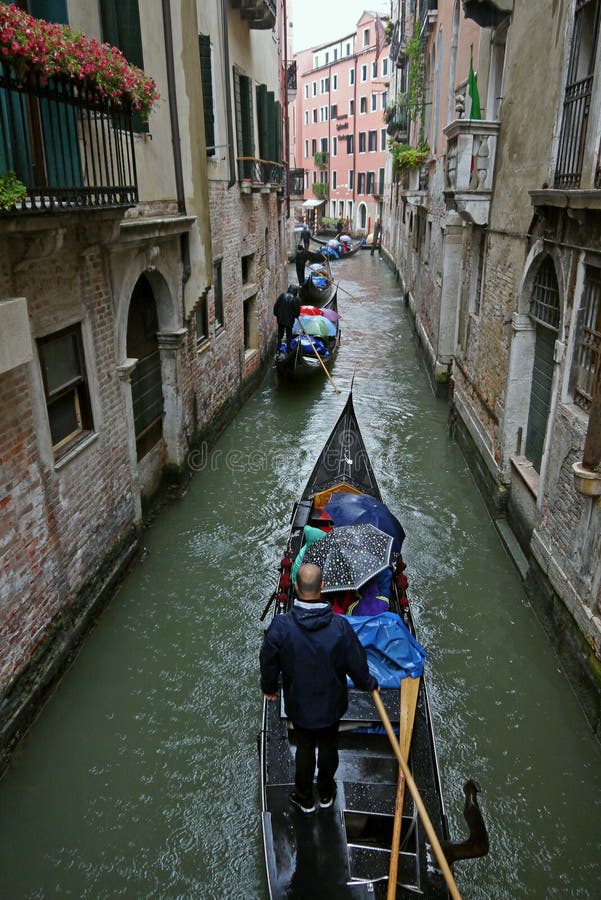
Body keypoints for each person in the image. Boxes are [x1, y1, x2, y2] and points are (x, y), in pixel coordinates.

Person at [260, 563, 378, 813]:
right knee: (328, 747)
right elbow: (357, 665)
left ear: (295, 587)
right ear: (323, 587)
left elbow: (268, 659)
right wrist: (368, 684)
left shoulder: (281, 626)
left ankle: (304, 798)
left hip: (299, 705)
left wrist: (269, 688)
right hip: (331, 704)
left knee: (304, 749)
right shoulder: (340, 627)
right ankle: (325, 793)